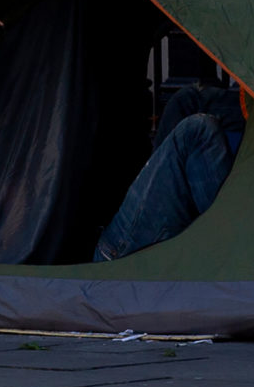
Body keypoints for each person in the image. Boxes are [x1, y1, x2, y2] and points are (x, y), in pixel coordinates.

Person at [93, 83, 246, 261]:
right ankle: (235, 249)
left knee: (187, 100)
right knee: (198, 130)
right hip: (117, 252)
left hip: (118, 233)